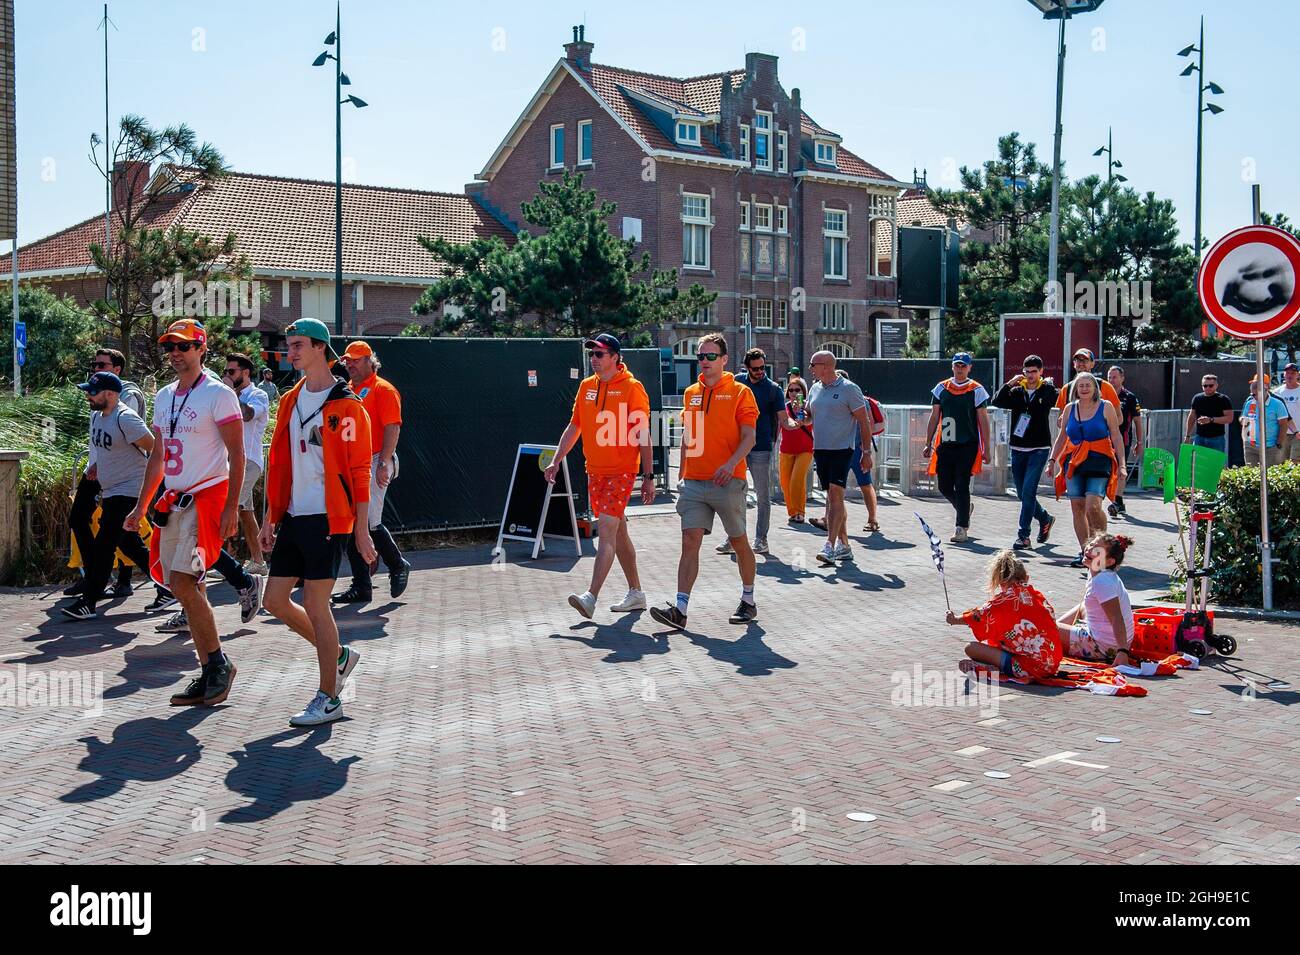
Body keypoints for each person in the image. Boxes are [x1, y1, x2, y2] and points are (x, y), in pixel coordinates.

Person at [260, 319, 376, 727]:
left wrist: (361, 529)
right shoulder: (291, 399)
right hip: (294, 514)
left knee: (315, 602)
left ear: (320, 349)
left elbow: (360, 469)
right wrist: (270, 516)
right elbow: (279, 461)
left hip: (330, 518)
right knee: (272, 601)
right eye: (288, 346)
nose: (289, 352)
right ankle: (339, 655)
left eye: (297, 345)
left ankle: (329, 698)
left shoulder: (346, 404)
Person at [124, 319, 244, 707]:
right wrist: (141, 505)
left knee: (181, 582)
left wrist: (231, 508)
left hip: (206, 499)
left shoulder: (219, 394)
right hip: (173, 502)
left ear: (200, 348)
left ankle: (217, 666)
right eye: (169, 347)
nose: (175, 353)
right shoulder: (164, 396)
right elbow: (158, 454)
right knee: (188, 586)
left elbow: (237, 455)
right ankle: (210, 668)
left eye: (183, 346)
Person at [649, 332, 759, 630]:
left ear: (724, 360)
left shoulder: (740, 392)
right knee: (689, 541)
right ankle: (680, 609)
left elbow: (750, 437)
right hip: (695, 482)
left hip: (728, 481)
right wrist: (682, 475)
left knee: (738, 543)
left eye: (711, 356)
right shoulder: (690, 393)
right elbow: (688, 436)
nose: (705, 361)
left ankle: (748, 600)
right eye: (701, 356)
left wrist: (731, 463)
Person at [544, 332, 655, 619]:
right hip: (595, 471)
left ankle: (590, 596)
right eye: (591, 353)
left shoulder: (632, 388)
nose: (594, 359)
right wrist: (556, 460)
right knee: (619, 534)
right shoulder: (586, 387)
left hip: (622, 471)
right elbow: (574, 426)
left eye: (600, 354)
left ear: (615, 357)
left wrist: (649, 475)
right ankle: (636, 593)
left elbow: (643, 433)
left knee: (606, 530)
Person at [60, 373, 155, 620]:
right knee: (129, 543)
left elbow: (156, 451)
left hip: (131, 489)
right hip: (111, 489)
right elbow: (104, 449)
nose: (87, 395)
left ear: (110, 394)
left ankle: (89, 601)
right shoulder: (96, 416)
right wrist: (95, 466)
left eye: (93, 392)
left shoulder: (127, 419)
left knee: (104, 544)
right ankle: (168, 585)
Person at [332, 341, 411, 604]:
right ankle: (363, 585)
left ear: (369, 360)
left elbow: (393, 427)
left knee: (368, 523)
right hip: (356, 462)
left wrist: (384, 462)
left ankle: (396, 564)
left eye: (355, 360)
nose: (350, 364)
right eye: (348, 361)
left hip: (376, 459)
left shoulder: (383, 389)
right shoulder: (351, 390)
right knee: (356, 523)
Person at [946, 550, 1063, 683]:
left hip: (1030, 668)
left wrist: (954, 619)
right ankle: (1000, 664)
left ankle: (993, 668)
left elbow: (978, 616)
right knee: (1001, 637)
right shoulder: (1037, 596)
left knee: (971, 648)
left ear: (1001, 583)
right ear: (1026, 578)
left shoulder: (1003, 601)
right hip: (1051, 663)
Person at [1049, 372, 1125, 568]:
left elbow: (1116, 437)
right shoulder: (1069, 408)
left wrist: (1122, 463)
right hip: (1075, 462)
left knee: (1093, 506)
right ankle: (1086, 552)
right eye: (1080, 385)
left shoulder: (1106, 407)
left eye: (1087, 385)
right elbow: (1062, 437)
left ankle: (1102, 549)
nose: (1084, 388)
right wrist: (1052, 460)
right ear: (1075, 389)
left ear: (1094, 388)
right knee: (1077, 507)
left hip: (1099, 461)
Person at [804, 351, 872, 565]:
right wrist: (799, 415)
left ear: (826, 366)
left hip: (842, 450)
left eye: (812, 364)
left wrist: (867, 453)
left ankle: (829, 545)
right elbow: (808, 417)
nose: (810, 369)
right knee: (834, 499)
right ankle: (845, 546)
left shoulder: (849, 389)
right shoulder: (814, 388)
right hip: (821, 449)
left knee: (835, 496)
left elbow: (864, 422)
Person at [717, 347, 783, 556]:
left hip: (761, 447)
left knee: (763, 496)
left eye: (763, 367)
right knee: (734, 495)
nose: (760, 372)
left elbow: (784, 419)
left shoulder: (773, 389)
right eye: (755, 369)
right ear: (747, 368)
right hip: (735, 447)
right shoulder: (736, 382)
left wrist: (797, 421)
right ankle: (734, 537)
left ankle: (761, 539)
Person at [992, 354, 1058, 550]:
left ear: (1041, 372)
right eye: (1027, 372)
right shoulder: (1016, 391)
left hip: (1039, 448)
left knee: (1028, 491)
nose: (1030, 376)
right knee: (1022, 493)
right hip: (1018, 448)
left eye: (1034, 372)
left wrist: (1046, 386)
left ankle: (1023, 536)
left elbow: (1051, 400)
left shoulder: (1047, 390)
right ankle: (1045, 518)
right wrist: (1008, 384)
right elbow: (997, 401)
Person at [923, 353, 990, 544]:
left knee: (962, 484)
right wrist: (928, 443)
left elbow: (983, 420)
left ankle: (961, 527)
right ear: (952, 367)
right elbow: (934, 416)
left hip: (967, 444)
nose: (960, 369)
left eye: (963, 366)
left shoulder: (976, 390)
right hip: (946, 443)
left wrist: (987, 448)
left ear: (969, 368)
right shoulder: (941, 388)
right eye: (957, 365)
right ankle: (964, 508)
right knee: (944, 485)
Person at [1055, 533, 1136, 667]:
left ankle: (1053, 633)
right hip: (1110, 642)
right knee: (1082, 607)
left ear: (1110, 561)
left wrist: (1123, 652)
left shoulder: (1103, 581)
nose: (1089, 549)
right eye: (1091, 544)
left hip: (1103, 648)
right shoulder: (1099, 572)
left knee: (1042, 626)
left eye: (1097, 550)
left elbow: (1116, 617)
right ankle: (1056, 632)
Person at [223, 354, 270, 575]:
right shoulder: (229, 395)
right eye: (226, 372)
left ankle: (219, 561)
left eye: (231, 372)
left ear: (245, 373)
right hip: (230, 462)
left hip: (248, 461)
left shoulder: (257, 394)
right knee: (245, 513)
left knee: (227, 509)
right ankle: (259, 562)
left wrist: (229, 392)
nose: (228, 376)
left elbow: (248, 415)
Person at [1105, 366, 1143, 518]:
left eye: (1114, 377)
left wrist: (1139, 442)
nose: (1112, 380)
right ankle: (1106, 497)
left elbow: (1138, 422)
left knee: (1120, 469)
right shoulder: (1101, 395)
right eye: (1109, 377)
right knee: (1105, 470)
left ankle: (1118, 501)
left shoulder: (1130, 397)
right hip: (1103, 440)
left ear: (1122, 378)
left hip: (1123, 440)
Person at [777, 377, 813, 524]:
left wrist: (802, 417)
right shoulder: (784, 407)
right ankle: (792, 512)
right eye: (790, 390)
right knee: (785, 482)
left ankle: (800, 512)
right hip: (786, 448)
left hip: (805, 448)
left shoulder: (808, 406)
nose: (793, 393)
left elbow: (809, 420)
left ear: (803, 391)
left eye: (797, 390)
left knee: (796, 480)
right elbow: (781, 425)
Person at [1241, 374, 1290, 470]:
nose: (1253, 397)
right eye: (1251, 394)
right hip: (1251, 446)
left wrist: (1279, 443)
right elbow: (1244, 421)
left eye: (1255, 394)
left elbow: (1284, 425)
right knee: (1251, 475)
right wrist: (1245, 440)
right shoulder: (1250, 403)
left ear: (1265, 391)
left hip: (1271, 447)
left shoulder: (1277, 404)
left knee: (1270, 476)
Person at [1054, 348, 1121, 415]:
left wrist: (1102, 423)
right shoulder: (1066, 389)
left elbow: (1119, 417)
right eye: (1078, 360)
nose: (1081, 363)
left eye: (1085, 360)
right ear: (1074, 364)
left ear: (1092, 364)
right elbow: (1059, 418)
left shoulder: (1105, 386)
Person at [1185, 374, 1233, 455]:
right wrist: (1187, 436)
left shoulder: (1223, 399)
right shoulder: (1197, 398)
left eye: (1211, 385)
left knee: (1215, 466)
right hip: (1199, 438)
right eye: (1205, 386)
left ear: (1216, 385)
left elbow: (1229, 418)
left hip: (1217, 439)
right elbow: (1192, 416)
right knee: (1197, 464)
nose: (1207, 388)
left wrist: (1211, 420)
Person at [1275, 362, 1300, 462]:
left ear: (1298, 375)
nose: (1290, 375)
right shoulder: (1277, 392)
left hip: (1298, 433)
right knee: (1281, 462)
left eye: (1293, 373)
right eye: (1288, 373)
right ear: (1284, 375)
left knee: (1295, 463)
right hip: (1281, 433)